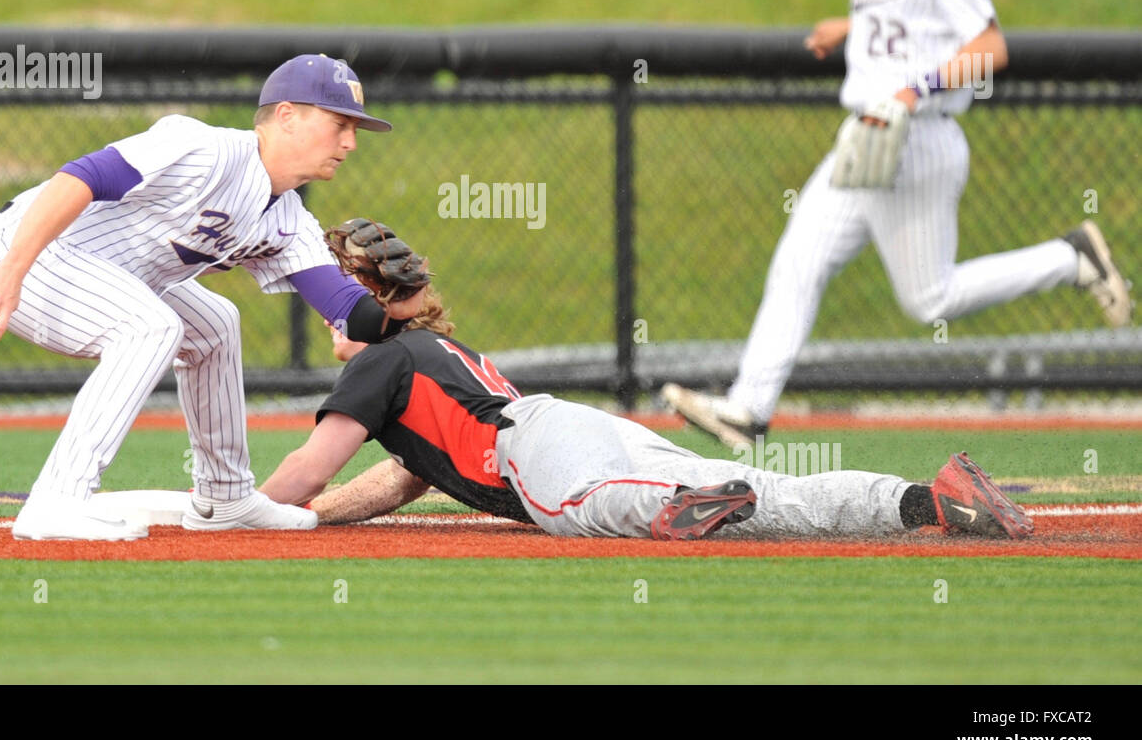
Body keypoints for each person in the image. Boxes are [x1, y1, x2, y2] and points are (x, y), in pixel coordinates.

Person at [668, 0, 1132, 448]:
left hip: (915, 139)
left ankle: (1070, 258)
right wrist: (850, 27)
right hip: (866, 137)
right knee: (797, 261)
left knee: (930, 300)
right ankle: (748, 410)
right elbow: (908, 24)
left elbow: (991, 49)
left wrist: (916, 90)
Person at [258, 253, 1034, 542]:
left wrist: (254, 509)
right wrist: (312, 516)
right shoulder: (434, 353)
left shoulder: (379, 359)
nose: (328, 303)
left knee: (576, 510)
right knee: (776, 500)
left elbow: (310, 466)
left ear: (365, 298)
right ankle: (926, 502)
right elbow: (401, 479)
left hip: (542, 455)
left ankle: (666, 505)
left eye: (338, 286)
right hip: (582, 426)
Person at [0, 54, 423, 541]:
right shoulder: (207, 149)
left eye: (354, 129)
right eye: (339, 124)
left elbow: (354, 316)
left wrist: (409, 299)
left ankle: (225, 498)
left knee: (215, 325)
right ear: (287, 115)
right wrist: (14, 266)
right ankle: (57, 501)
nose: (350, 142)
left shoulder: (288, 221)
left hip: (108, 272)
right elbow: (83, 176)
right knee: (151, 327)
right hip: (27, 248)